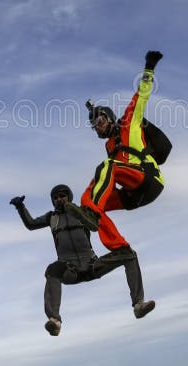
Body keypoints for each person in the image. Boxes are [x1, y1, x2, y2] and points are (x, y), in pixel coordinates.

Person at [10, 185, 155, 336]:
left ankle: (138, 305)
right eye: (56, 198)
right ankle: (54, 321)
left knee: (129, 254)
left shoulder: (82, 212)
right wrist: (20, 207)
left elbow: (97, 219)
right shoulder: (51, 217)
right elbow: (31, 224)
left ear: (69, 197)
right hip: (70, 269)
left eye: (62, 196)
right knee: (52, 270)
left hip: (92, 265)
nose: (59, 199)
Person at [67, 51, 166, 251]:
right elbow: (108, 181)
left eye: (100, 122)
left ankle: (92, 212)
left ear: (110, 117)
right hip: (131, 194)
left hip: (148, 179)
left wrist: (149, 67)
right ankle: (120, 247)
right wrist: (92, 202)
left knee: (107, 167)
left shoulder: (130, 122)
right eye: (95, 127)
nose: (99, 128)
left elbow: (141, 96)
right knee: (88, 199)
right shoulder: (109, 147)